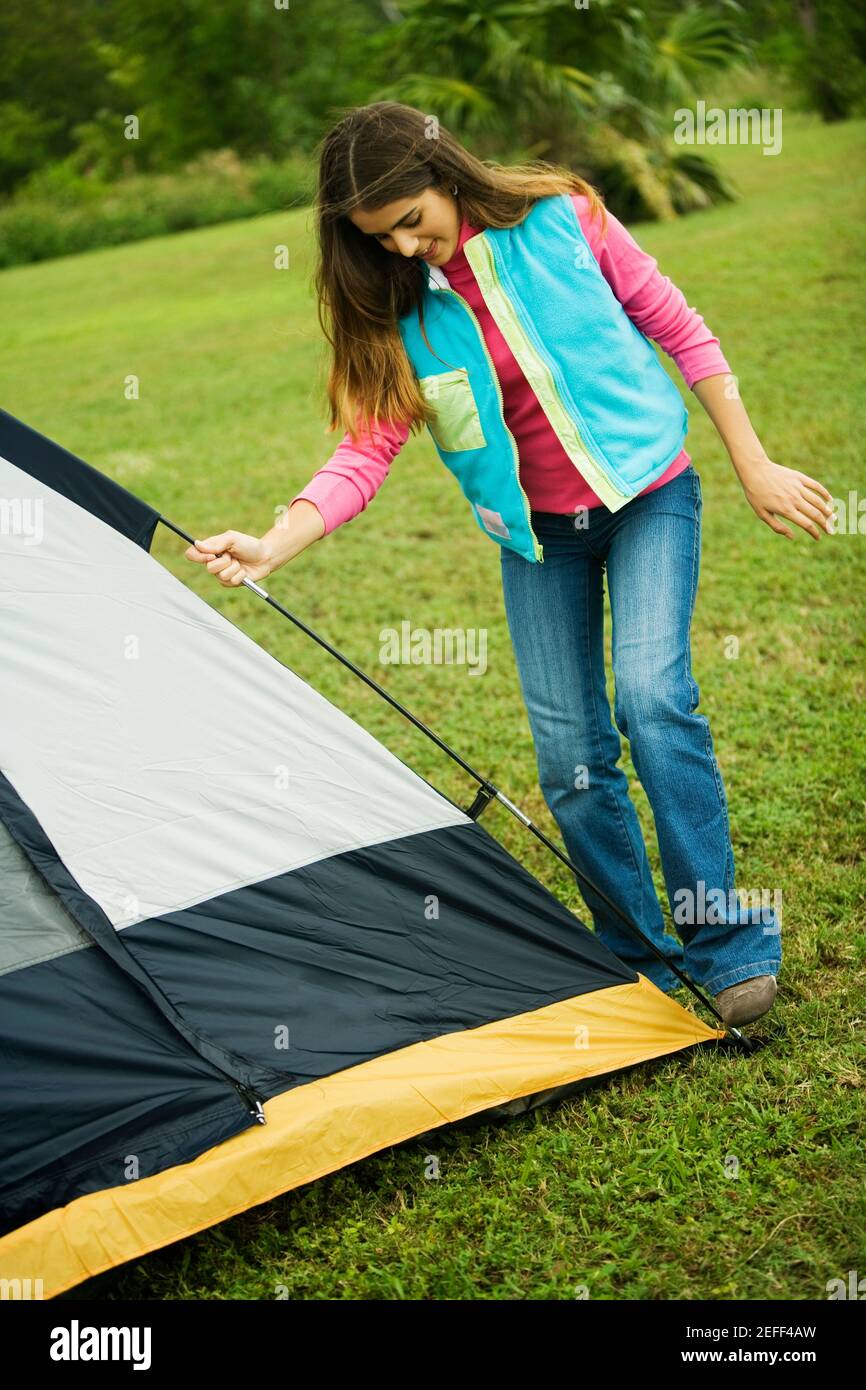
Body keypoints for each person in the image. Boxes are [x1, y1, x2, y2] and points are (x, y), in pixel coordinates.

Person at [185, 101, 833, 1027]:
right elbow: (365, 451)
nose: (406, 248)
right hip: (538, 540)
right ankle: (635, 957)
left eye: (413, 220)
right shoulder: (398, 312)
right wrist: (275, 539)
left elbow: (679, 328)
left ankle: (727, 945)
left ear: (445, 170)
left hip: (650, 495)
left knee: (652, 699)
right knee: (569, 753)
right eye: (381, 238)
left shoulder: (563, 220)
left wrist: (754, 460)